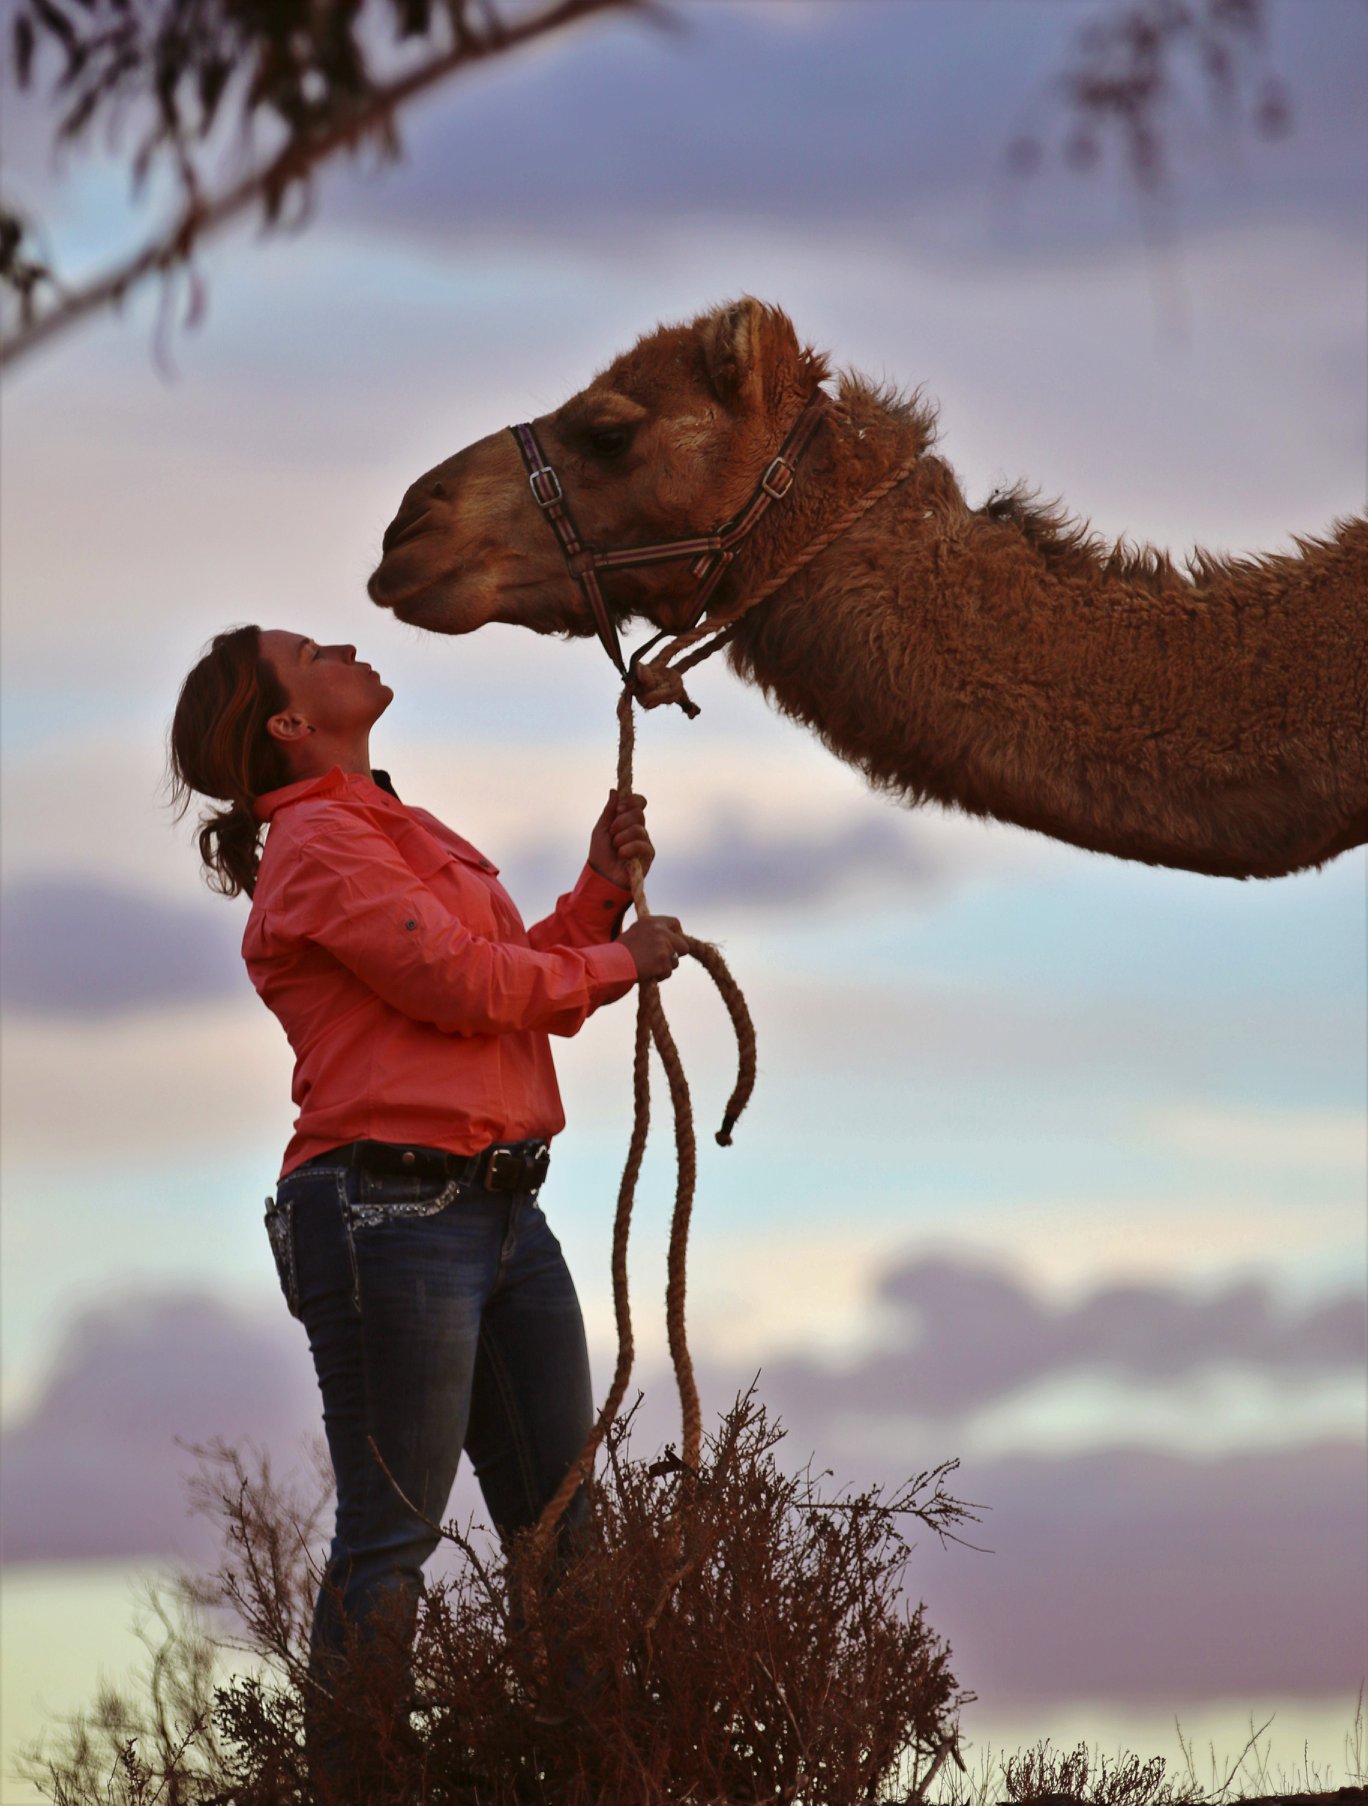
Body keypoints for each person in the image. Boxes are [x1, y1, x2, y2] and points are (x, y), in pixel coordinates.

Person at [168, 625, 687, 1792]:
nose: (343, 643)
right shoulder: (316, 850)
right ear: (289, 726)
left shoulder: (389, 829)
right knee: (392, 1541)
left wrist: (601, 897)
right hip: (385, 1216)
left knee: (562, 1537)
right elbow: (459, 985)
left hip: (494, 1212)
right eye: (310, 651)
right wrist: (621, 960)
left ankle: (593, 1778)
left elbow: (505, 983)